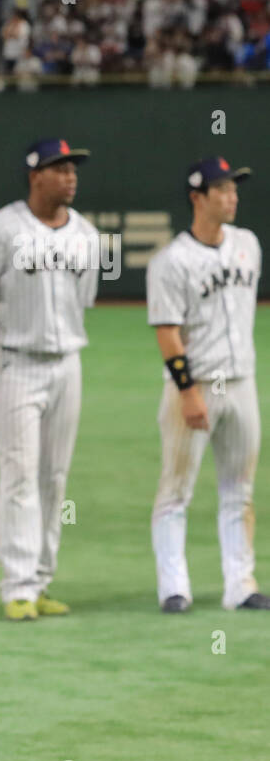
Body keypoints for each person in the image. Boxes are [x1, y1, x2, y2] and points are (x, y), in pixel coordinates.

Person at [0, 138, 99, 621]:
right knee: (20, 473)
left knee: (54, 476)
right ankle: (18, 585)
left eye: (73, 168)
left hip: (68, 363)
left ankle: (42, 580)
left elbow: (81, 300)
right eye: (59, 168)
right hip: (14, 363)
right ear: (34, 176)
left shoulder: (86, 233)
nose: (70, 176)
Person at [146, 158, 266, 613]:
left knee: (239, 489)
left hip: (242, 383)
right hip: (195, 387)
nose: (233, 195)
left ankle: (240, 584)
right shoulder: (172, 260)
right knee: (176, 489)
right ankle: (173, 586)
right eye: (222, 189)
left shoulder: (248, 244)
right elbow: (167, 330)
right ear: (197, 197)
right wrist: (188, 391)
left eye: (234, 187)